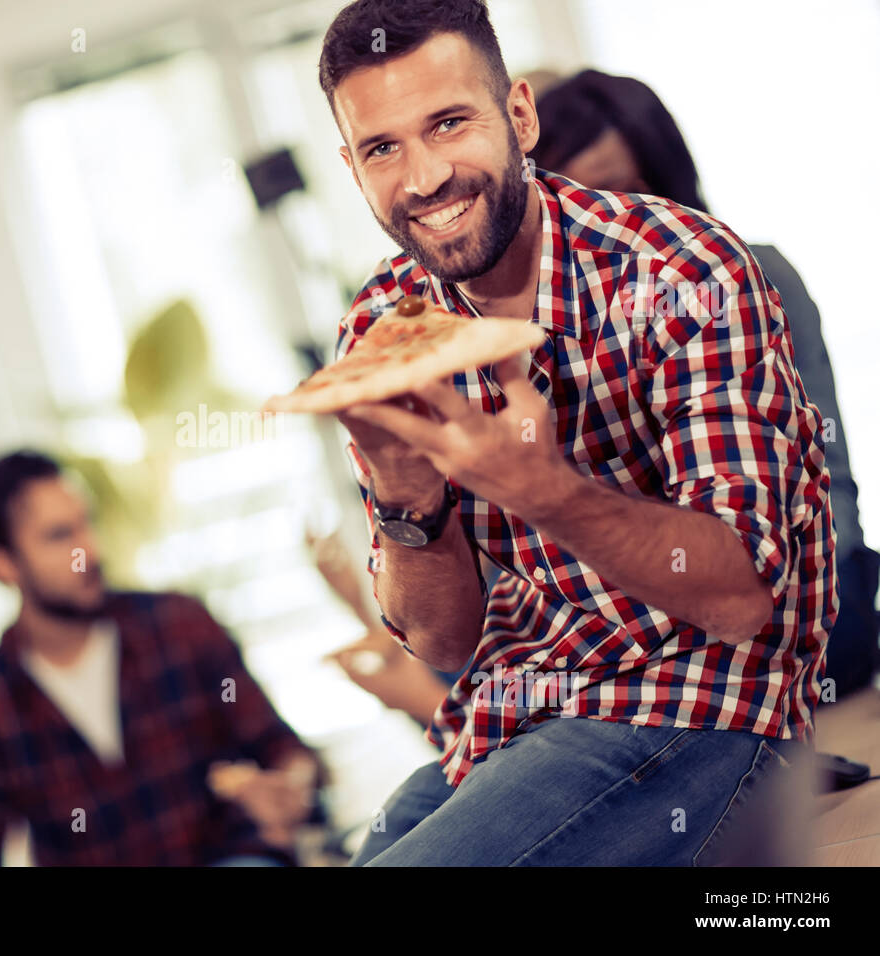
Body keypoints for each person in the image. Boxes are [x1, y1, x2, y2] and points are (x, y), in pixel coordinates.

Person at [316, 0, 829, 865]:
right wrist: (409, 500)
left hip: (704, 700)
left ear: (519, 115)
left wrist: (541, 488)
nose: (424, 177)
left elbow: (742, 600)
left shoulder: (683, 271)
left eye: (448, 123)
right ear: (351, 165)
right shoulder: (382, 323)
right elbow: (442, 641)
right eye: (383, 148)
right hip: (524, 712)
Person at [529, 69, 879, 701]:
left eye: (626, 196)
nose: (608, 228)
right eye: (578, 207)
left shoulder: (750, 276)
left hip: (808, 598)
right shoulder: (554, 339)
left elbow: (800, 511)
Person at [0, 450, 325, 866]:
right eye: (59, 536)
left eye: (87, 523)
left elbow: (282, 749)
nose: (88, 549)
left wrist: (290, 790)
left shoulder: (181, 625)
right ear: (2, 564)